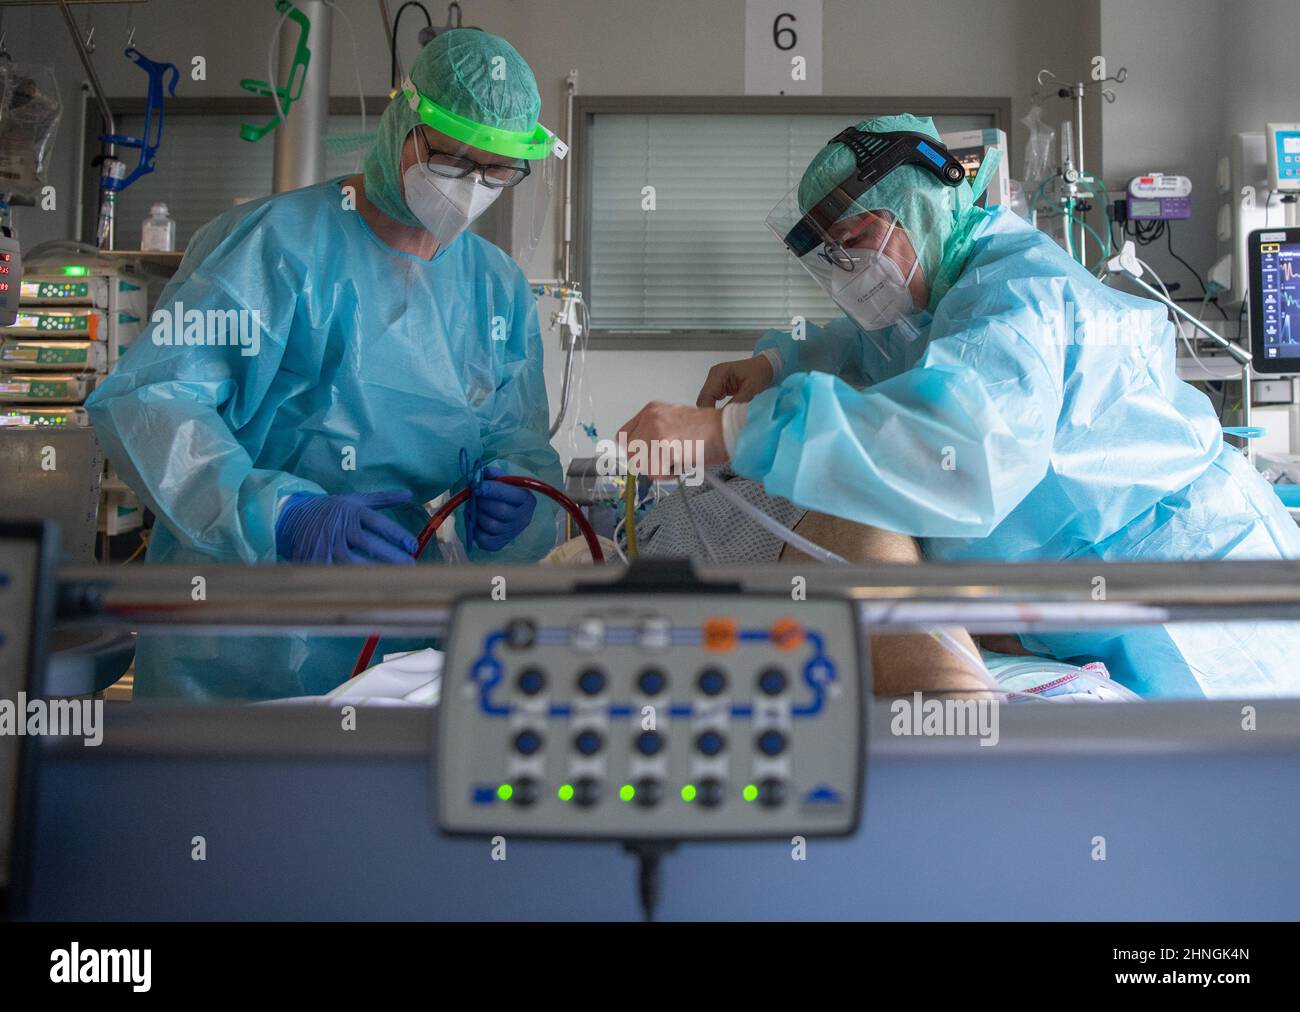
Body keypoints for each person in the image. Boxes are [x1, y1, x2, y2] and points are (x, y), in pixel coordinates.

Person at [619, 113, 1300, 698]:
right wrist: (775, 363)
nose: (845, 273)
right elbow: (867, 353)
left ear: (920, 208)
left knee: (1232, 791)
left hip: (1195, 588)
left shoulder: (1019, 297)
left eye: (854, 243)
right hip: (1087, 602)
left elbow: (954, 446)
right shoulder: (935, 304)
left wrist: (732, 433)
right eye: (832, 256)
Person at [87, 30, 565, 699]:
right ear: (404, 116)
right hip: (243, 647)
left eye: (495, 171)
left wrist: (518, 494)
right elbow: (150, 402)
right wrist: (278, 516)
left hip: (412, 650)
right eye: (453, 159)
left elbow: (518, 437)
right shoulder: (274, 248)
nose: (470, 187)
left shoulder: (496, 287)